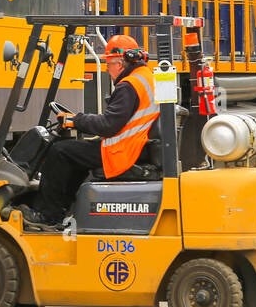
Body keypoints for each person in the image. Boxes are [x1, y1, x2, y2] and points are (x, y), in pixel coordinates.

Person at [23, 34, 159, 226]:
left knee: (59, 151)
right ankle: (65, 208)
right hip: (134, 146)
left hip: (122, 150)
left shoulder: (129, 86)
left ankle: (47, 214)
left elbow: (108, 125)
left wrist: (76, 120)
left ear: (119, 63)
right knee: (74, 154)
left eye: (108, 63)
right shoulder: (144, 78)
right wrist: (79, 120)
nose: (106, 68)